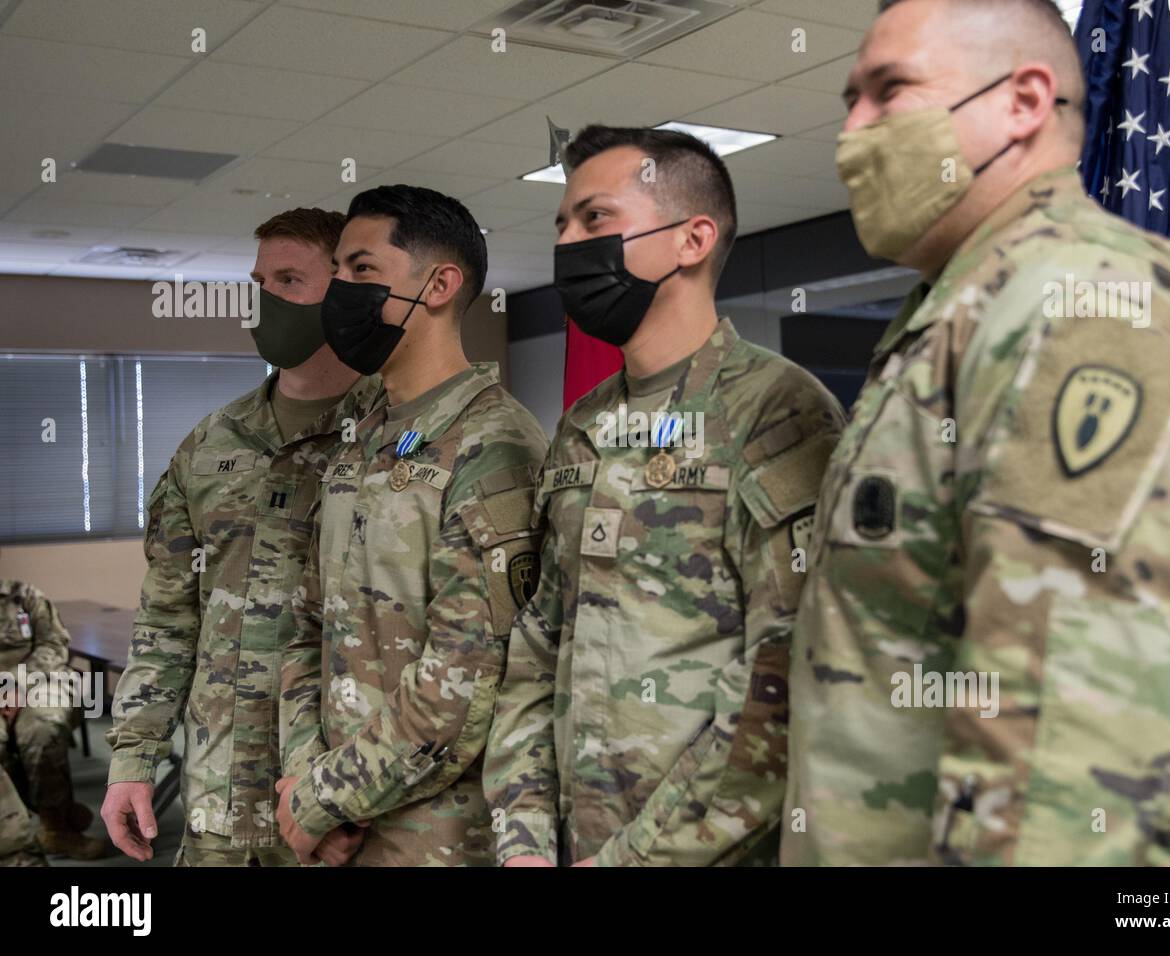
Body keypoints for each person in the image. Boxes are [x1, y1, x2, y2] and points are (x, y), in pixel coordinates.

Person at [783, 0, 1170, 866]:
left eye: (889, 91)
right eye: (848, 101)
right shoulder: (957, 315)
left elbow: (1071, 757)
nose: (852, 132)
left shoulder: (1083, 303)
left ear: (1022, 101)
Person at [485, 126, 846, 867]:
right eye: (561, 225)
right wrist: (521, 840)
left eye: (595, 220)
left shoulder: (776, 410)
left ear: (693, 239)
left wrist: (632, 860)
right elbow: (536, 646)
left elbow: (786, 676)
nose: (568, 245)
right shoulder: (585, 423)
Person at [275, 185, 546, 867]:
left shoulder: (494, 446)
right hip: (331, 819)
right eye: (337, 270)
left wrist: (321, 800)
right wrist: (308, 777)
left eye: (362, 270)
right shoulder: (358, 435)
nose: (339, 289)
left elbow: (467, 678)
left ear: (439, 285)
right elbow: (308, 622)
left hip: (433, 836)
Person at [102, 208, 381, 866]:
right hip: (218, 793)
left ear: (345, 292)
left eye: (289, 279)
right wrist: (133, 760)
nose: (264, 299)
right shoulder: (210, 445)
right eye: (258, 280)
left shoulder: (393, 439)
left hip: (339, 801)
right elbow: (169, 614)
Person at [0, 576, 104, 859]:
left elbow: (53, 644)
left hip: (39, 681)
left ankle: (57, 829)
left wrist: (14, 684)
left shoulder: (23, 597)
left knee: (43, 730)